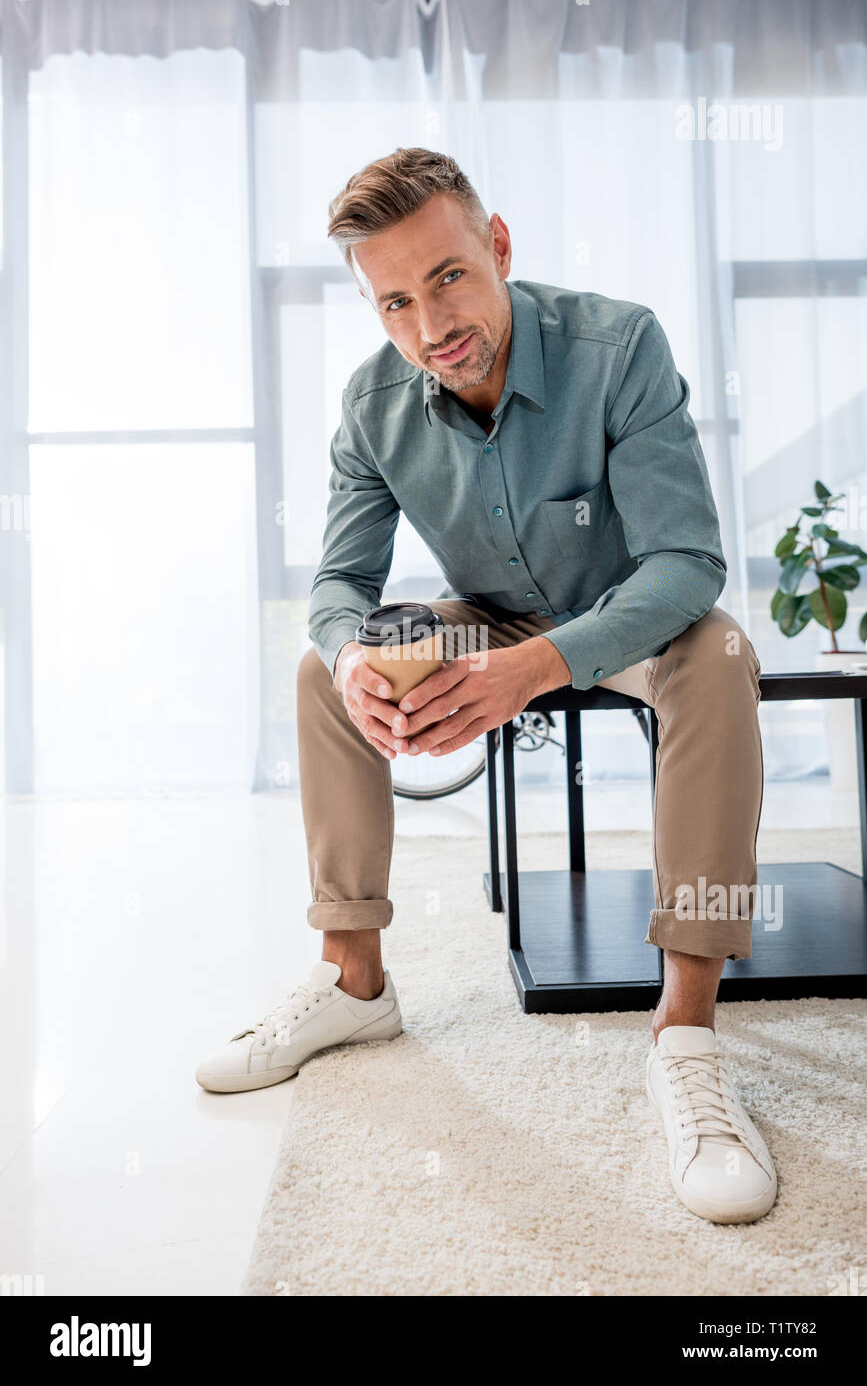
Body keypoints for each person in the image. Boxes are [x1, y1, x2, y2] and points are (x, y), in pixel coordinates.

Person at [197, 148, 775, 1226]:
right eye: (395, 303)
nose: (429, 327)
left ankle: (687, 1027)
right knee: (327, 670)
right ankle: (354, 981)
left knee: (723, 652)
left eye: (450, 277)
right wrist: (356, 658)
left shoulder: (621, 345)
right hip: (491, 611)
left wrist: (543, 665)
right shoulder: (374, 403)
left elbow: (688, 562)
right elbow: (337, 584)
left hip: (634, 611)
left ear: (498, 245)